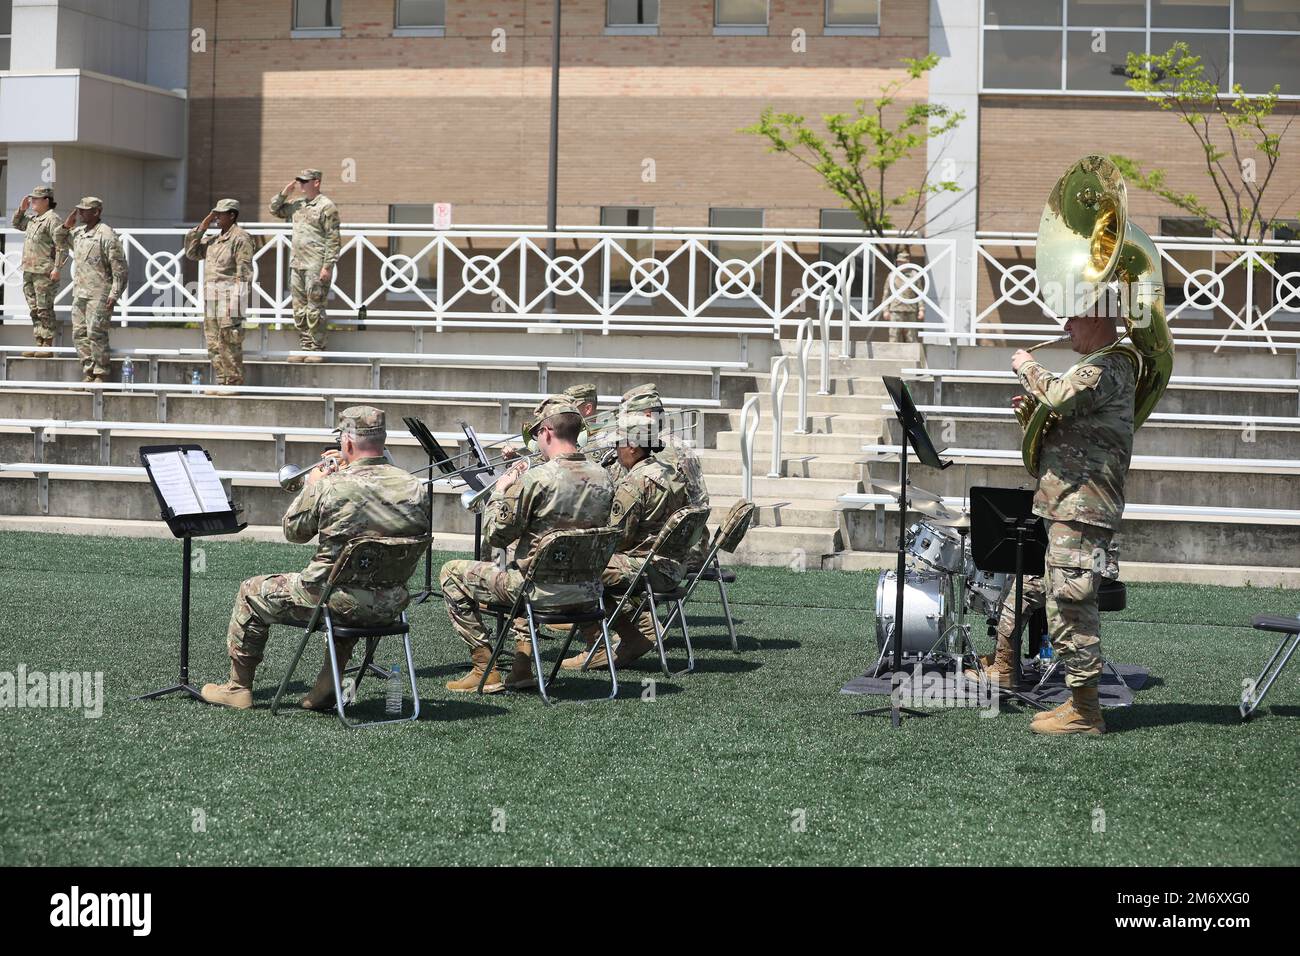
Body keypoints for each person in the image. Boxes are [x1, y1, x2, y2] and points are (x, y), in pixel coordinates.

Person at [201, 406, 430, 711]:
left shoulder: (330, 485)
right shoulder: (414, 487)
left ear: (347, 444)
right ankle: (325, 686)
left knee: (251, 592)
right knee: (351, 587)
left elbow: (293, 531)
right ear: (382, 440)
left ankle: (238, 688)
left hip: (333, 600)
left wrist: (311, 486)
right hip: (390, 603)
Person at [1007, 313, 1136, 735]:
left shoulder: (1109, 365)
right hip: (1069, 507)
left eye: (1072, 320)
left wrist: (1027, 366)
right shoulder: (1102, 364)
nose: (1066, 329)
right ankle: (1079, 701)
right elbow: (1067, 427)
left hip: (1083, 510)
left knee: (1071, 604)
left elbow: (1061, 396)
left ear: (1097, 318)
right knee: (1064, 599)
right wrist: (1030, 418)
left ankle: (1086, 712)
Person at [439, 397, 614, 693]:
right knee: (525, 565)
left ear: (546, 431)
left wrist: (500, 492)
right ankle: (521, 667)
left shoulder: (537, 478)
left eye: (536, 434)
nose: (536, 440)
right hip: (587, 594)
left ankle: (485, 669)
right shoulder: (604, 476)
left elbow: (496, 535)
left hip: (539, 592)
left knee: (451, 573)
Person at [561, 412, 690, 670]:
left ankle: (599, 644)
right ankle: (636, 630)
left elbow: (616, 540)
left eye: (618, 444)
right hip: (673, 567)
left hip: (648, 569)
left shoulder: (634, 482)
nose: (616, 450)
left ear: (632, 446)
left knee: (575, 569)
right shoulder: (672, 473)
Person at [969, 539, 1121, 689]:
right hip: (1078, 562)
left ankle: (1005, 667)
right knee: (1018, 577)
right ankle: (1003, 656)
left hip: (1092, 566)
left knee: (1022, 588)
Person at [269, 169, 340, 360]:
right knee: (299, 308)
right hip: (297, 263)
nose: (301, 184)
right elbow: (274, 210)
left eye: (305, 181)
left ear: (316, 182)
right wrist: (285, 193)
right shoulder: (297, 205)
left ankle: (317, 348)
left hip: (316, 264)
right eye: (299, 181)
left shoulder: (326, 206)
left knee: (315, 307)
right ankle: (306, 347)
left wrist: (328, 266)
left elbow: (333, 239)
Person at [184, 199, 255, 388]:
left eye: (220, 214)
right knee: (214, 342)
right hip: (211, 298)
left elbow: (245, 273)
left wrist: (236, 302)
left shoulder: (240, 238)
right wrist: (203, 225)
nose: (217, 217)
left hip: (230, 298)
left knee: (229, 341)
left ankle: (233, 383)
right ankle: (221, 380)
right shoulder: (214, 239)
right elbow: (191, 253)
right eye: (215, 213)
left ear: (232, 215)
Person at [61, 198, 127, 384]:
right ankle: (88, 370)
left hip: (99, 293)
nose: (81, 213)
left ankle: (101, 373)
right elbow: (59, 239)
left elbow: (120, 269)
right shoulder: (80, 233)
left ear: (96, 212)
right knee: (79, 333)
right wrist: (67, 224)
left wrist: (115, 293)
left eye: (85, 211)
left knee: (95, 332)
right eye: (80, 210)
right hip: (80, 292)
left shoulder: (106, 234)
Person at [11, 186, 69, 358]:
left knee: (44, 308)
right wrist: (21, 209)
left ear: (47, 201)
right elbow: (17, 223)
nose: (32, 202)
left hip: (44, 271)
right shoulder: (35, 219)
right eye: (32, 199)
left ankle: (47, 345)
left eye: (36, 199)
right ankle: (39, 342)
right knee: (34, 308)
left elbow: (61, 246)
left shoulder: (52, 219)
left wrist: (57, 268)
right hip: (29, 269)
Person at [885, 250, 921, 344]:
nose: (901, 264)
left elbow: (919, 293)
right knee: (894, 335)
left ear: (908, 262)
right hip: (896, 309)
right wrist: (885, 310)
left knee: (911, 336)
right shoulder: (892, 275)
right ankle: (893, 355)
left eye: (903, 262)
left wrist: (921, 309)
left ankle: (911, 356)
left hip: (910, 309)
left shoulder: (914, 274)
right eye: (899, 262)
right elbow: (886, 293)